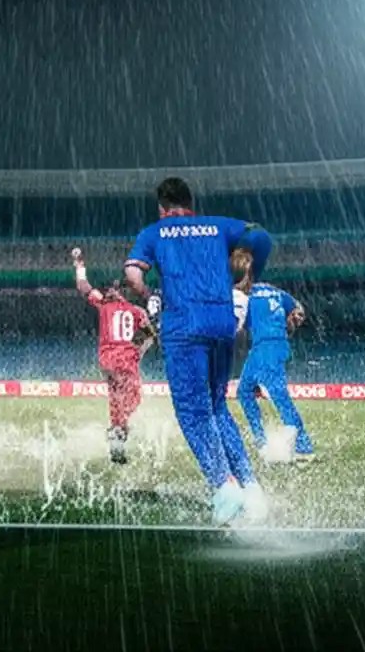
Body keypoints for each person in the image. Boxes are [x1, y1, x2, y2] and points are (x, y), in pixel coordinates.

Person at [123, 176, 272, 526]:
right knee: (218, 406)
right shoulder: (218, 225)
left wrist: (150, 296)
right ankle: (251, 489)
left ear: (162, 208)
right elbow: (261, 237)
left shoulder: (153, 233)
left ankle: (224, 487)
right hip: (221, 324)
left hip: (183, 326)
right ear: (192, 203)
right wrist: (251, 278)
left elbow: (132, 275)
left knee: (193, 412)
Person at [70, 247, 155, 464]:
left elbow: (83, 286)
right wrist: (137, 350)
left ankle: (117, 431)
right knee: (133, 399)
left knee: (116, 396)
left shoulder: (104, 305)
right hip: (126, 358)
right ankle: (119, 430)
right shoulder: (137, 311)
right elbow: (149, 334)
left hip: (107, 360)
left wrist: (79, 265)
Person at [236, 279, 315, 463]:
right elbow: (299, 311)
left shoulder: (243, 295)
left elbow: (236, 324)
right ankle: (262, 442)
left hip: (266, 347)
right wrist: (288, 327)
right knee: (244, 391)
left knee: (280, 396)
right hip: (269, 345)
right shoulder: (274, 291)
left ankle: (303, 447)